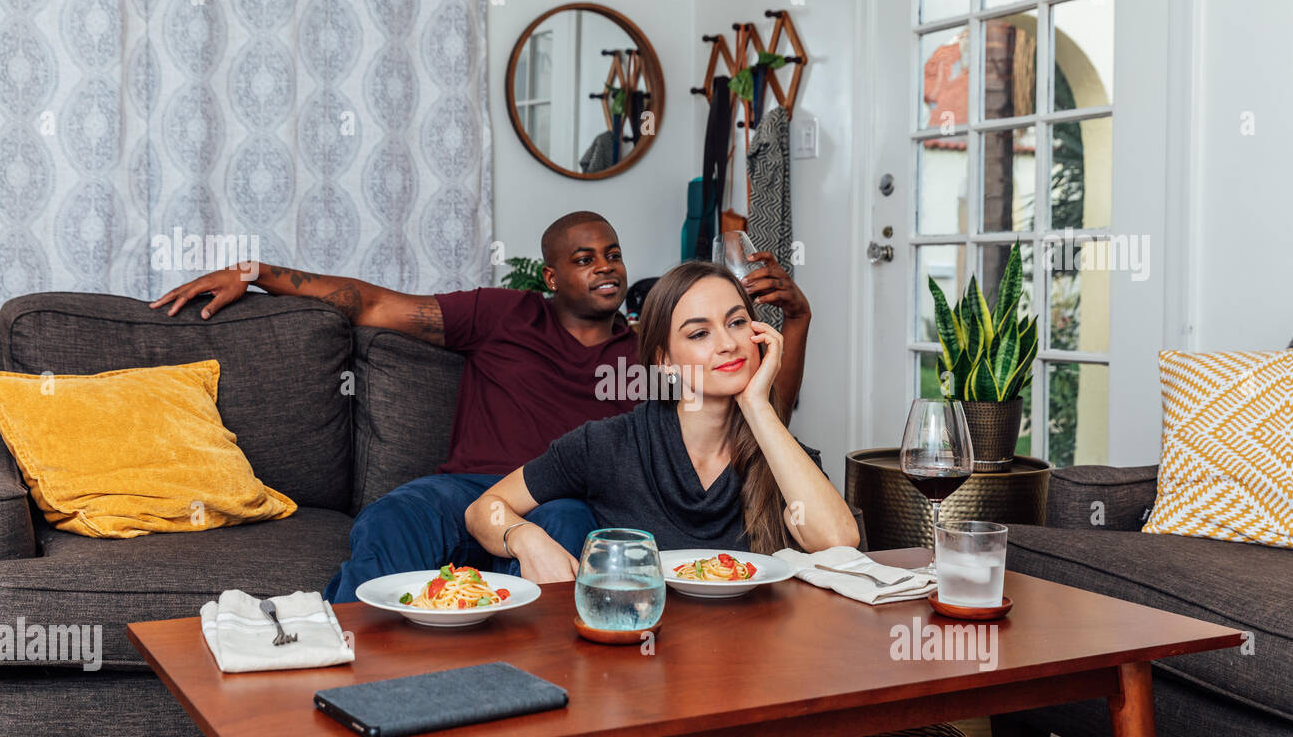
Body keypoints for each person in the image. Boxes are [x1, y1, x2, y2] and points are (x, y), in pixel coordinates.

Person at [149, 212, 814, 600]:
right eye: (584, 260)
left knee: (569, 524)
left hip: (558, 496)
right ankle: (344, 692)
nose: (605, 268)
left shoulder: (647, 354)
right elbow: (373, 304)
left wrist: (798, 323)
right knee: (392, 518)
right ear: (551, 278)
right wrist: (256, 274)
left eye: (612, 254)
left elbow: (757, 414)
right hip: (463, 490)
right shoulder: (503, 315)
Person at [465, 261, 859, 576]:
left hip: (755, 659)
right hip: (645, 653)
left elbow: (838, 540)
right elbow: (485, 509)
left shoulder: (781, 455)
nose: (727, 343)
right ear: (664, 361)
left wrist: (757, 405)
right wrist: (525, 538)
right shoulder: (609, 445)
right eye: (699, 334)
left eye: (737, 322)